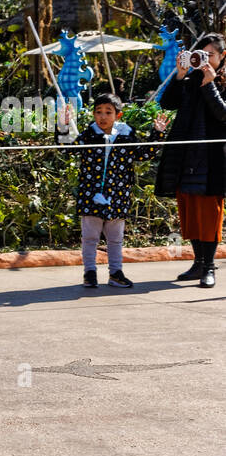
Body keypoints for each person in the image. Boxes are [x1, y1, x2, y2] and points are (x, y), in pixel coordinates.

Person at [74, 93, 166, 289]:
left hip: (118, 195)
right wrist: (64, 126)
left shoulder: (126, 134)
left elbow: (144, 154)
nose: (103, 116)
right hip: (90, 194)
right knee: (90, 237)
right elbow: (67, 148)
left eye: (108, 112)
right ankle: (89, 273)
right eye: (98, 112)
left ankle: (116, 273)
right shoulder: (88, 134)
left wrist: (157, 133)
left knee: (115, 239)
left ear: (119, 115)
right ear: (93, 114)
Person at [156, 33, 226, 288]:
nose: (205, 60)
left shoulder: (221, 81)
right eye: (201, 54)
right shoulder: (191, 78)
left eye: (211, 55)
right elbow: (167, 102)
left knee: (209, 215)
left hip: (213, 158)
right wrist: (180, 74)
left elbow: (223, 115)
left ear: (222, 56)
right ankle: (198, 263)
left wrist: (210, 84)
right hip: (185, 154)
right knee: (189, 214)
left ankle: (209, 267)